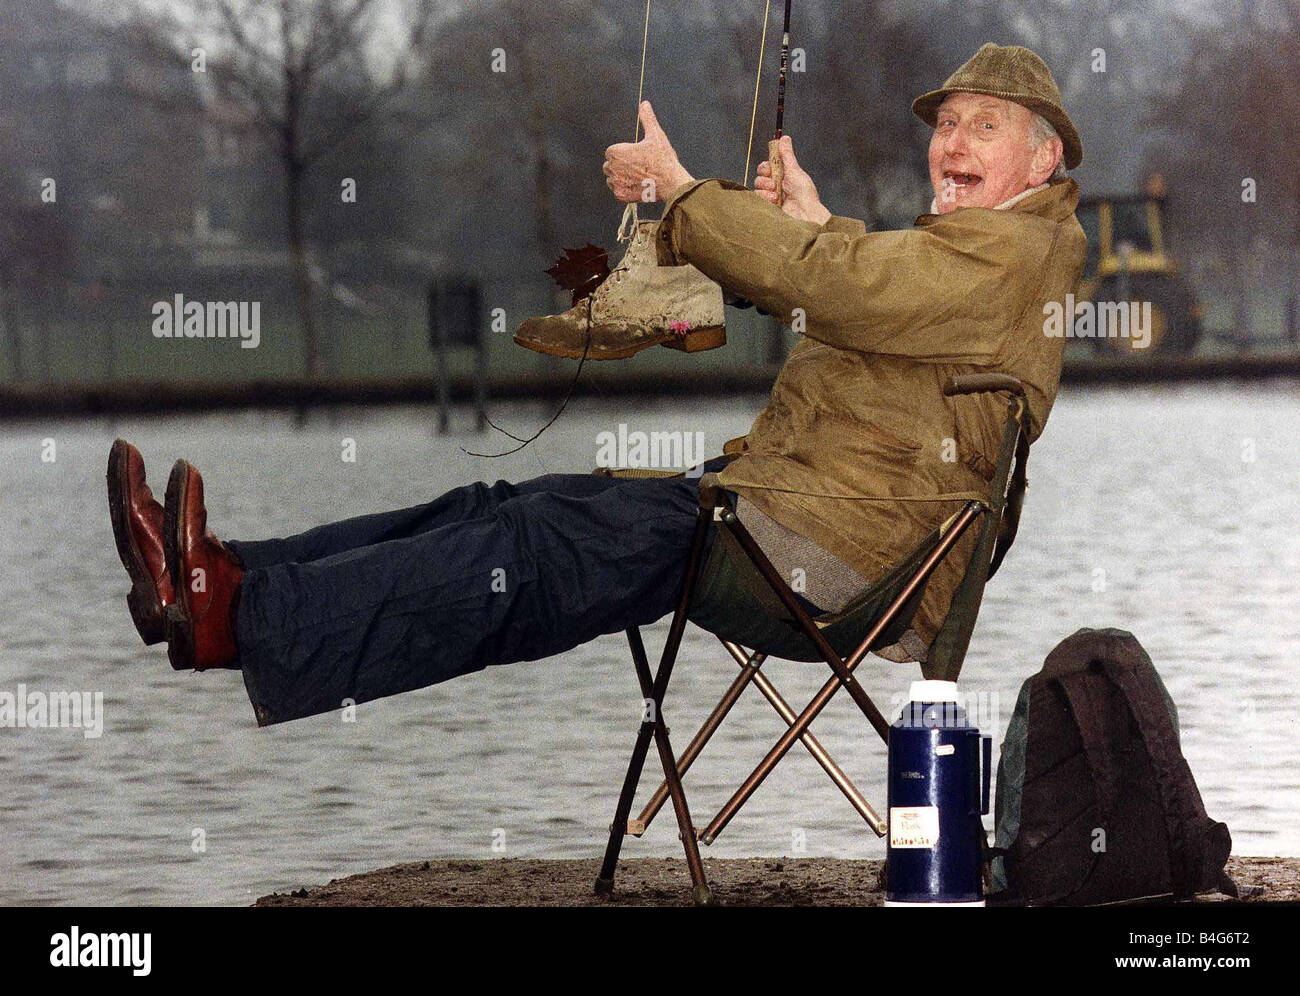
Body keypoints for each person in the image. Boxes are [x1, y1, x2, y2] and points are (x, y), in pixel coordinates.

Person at [108, 43, 1085, 727]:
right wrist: (810, 217)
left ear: (1042, 161)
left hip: (826, 560)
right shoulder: (981, 257)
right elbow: (869, 290)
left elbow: (838, 286)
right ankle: (228, 581)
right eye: (946, 122)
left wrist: (685, 193)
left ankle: (236, 615)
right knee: (504, 504)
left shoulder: (1006, 256)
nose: (950, 143)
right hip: (786, 521)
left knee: (538, 544)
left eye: (982, 126)